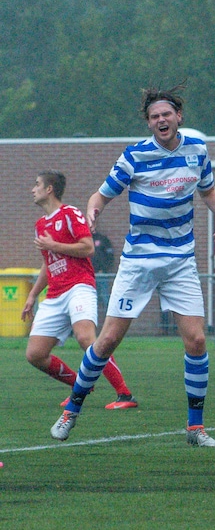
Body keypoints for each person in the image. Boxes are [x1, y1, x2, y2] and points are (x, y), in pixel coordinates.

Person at [49, 84, 215, 447]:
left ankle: (195, 428)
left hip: (180, 261)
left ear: (179, 117)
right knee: (107, 341)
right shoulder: (135, 156)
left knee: (196, 340)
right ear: (148, 124)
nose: (161, 120)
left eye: (166, 114)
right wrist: (93, 210)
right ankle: (72, 409)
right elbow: (101, 194)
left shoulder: (197, 150)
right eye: (154, 117)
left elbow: (207, 189)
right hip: (139, 262)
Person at [23, 171, 137, 410]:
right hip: (54, 294)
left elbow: (87, 248)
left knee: (87, 339)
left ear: (49, 189)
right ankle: (80, 386)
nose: (33, 189)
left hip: (79, 286)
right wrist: (32, 296)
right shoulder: (40, 225)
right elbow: (49, 262)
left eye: (36, 184)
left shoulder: (70, 214)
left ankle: (124, 395)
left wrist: (53, 245)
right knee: (35, 354)